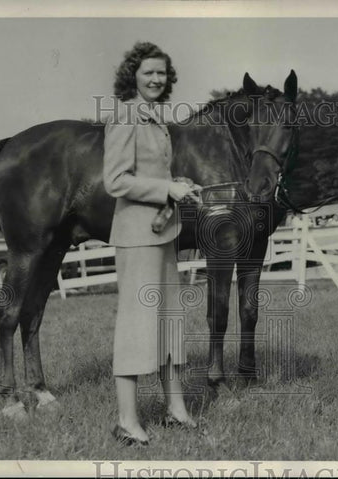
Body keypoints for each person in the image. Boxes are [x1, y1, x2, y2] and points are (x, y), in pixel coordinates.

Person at [103, 42, 199, 446]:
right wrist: (166, 188)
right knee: (137, 325)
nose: (157, 80)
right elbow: (115, 181)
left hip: (162, 232)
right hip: (136, 238)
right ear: (133, 77)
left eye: (162, 73)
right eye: (148, 74)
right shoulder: (125, 116)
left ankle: (176, 409)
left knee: (169, 321)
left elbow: (155, 175)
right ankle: (127, 420)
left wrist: (177, 187)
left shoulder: (154, 117)